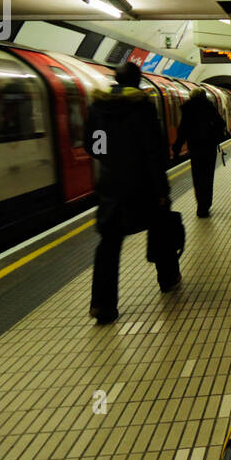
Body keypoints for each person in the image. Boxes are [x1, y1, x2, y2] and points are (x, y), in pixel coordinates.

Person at [84, 61, 180, 324]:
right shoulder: (142, 107)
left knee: (108, 244)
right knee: (160, 228)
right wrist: (161, 189)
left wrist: (112, 160)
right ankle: (168, 279)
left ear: (116, 79)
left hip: (111, 185)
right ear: (138, 81)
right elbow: (154, 152)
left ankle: (102, 305)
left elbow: (93, 146)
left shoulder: (97, 107)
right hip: (143, 184)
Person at [172, 89, 226, 218]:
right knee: (208, 177)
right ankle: (206, 205)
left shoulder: (188, 109)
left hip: (195, 148)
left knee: (198, 178)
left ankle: (200, 206)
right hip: (209, 148)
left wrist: (177, 148)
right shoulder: (209, 107)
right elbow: (221, 123)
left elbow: (182, 130)